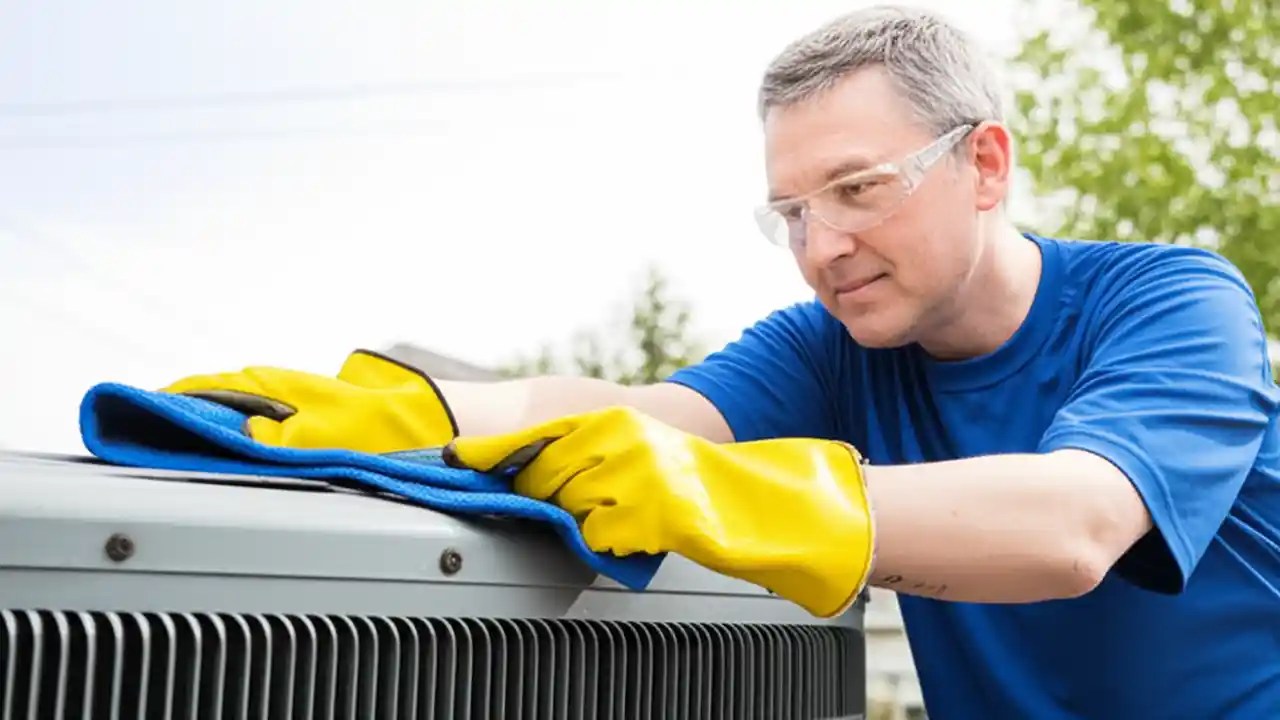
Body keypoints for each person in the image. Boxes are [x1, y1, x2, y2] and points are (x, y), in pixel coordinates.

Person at [163, 5, 1280, 717]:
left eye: (855, 189)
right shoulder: (834, 347)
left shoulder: (1171, 302)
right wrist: (415, 409)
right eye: (789, 210)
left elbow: (1070, 525)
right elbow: (639, 416)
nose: (820, 247)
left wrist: (722, 494)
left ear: (983, 164)